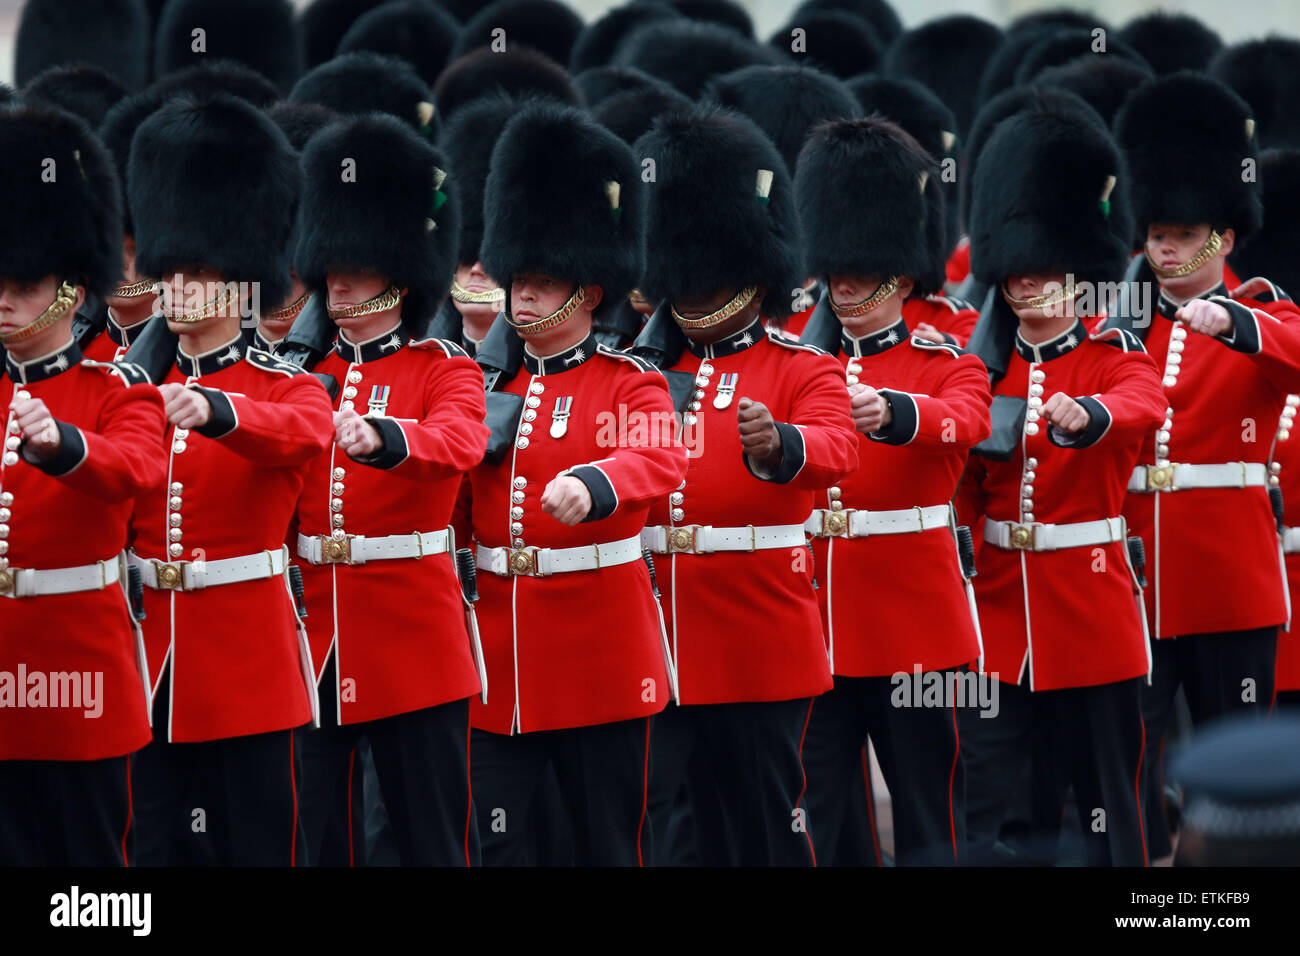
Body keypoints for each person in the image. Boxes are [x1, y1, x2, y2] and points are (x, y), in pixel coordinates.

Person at [631, 104, 858, 866]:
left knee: (767, 822)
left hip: (758, 630)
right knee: (674, 827)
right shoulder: (645, 372)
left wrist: (781, 445)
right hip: (662, 628)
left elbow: (838, 447)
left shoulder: (801, 367)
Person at [468, 100, 687, 866]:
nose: (521, 296)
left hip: (600, 655)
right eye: (517, 281)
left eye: (543, 282)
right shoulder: (482, 381)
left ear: (587, 294)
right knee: (500, 847)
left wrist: (597, 482)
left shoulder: (634, 383)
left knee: (607, 847)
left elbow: (661, 457)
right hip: (502, 658)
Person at [124, 93, 334, 866]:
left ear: (241, 282)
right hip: (152, 663)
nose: (177, 288)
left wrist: (217, 410)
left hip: (249, 669)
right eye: (169, 272)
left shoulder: (287, 386)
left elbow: (300, 435)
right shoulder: (130, 388)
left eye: (199, 273)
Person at [957, 96, 1166, 867]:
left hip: (1090, 607)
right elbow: (963, 478)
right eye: (1016, 276)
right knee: (1004, 803)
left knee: (1108, 797)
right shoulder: (981, 366)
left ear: (1079, 276)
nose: (1026, 289)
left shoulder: (1114, 354)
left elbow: (1143, 404)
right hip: (1001, 614)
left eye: (1044, 274)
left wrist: (1093, 416)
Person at [794, 116, 992, 865]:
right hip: (822, 622)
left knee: (928, 810)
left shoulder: (946, 356)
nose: (842, 291)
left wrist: (897, 412)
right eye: (834, 275)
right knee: (817, 811)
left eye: (859, 277)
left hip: (916, 626)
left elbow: (966, 419)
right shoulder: (803, 362)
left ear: (900, 279)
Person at [1112, 72, 1300, 860]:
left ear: (1222, 237)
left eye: (1183, 235)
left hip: (1230, 579)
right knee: (1132, 764)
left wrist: (1238, 324)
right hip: (1137, 582)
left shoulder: (1265, 311)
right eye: (1156, 232)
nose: (1164, 246)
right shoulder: (1118, 325)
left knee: (1233, 768)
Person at [291, 112, 487, 866]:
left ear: (400, 273)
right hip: (320, 639)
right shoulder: (306, 377)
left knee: (427, 837)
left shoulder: (444, 368)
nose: (337, 278)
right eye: (332, 263)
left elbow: (461, 442)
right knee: (319, 842)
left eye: (359, 266)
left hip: (412, 635)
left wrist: (389, 438)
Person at [0, 103, 165, 866]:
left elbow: (135, 468)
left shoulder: (117, 389)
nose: (5, 299)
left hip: (82, 674)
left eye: (24, 283)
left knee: (93, 878)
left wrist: (62, 445)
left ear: (70, 287)